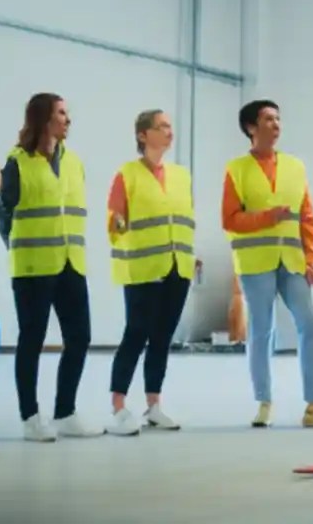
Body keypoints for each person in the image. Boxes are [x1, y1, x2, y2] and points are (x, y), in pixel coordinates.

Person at [222, 100, 313, 429]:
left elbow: (308, 217)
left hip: (293, 261)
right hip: (255, 261)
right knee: (262, 331)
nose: (276, 124)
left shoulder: (295, 166)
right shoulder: (236, 169)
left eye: (278, 118)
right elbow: (229, 219)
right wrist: (266, 217)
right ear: (251, 128)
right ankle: (263, 401)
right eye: (268, 119)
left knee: (312, 324)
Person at [0, 93, 102, 442]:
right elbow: (3, 214)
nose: (68, 119)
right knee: (32, 340)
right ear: (42, 119)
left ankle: (65, 412)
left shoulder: (74, 162)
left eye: (67, 112)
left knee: (79, 337)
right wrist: (20, 246)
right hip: (33, 266)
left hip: (71, 262)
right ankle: (30, 417)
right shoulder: (17, 163)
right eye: (61, 113)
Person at [106, 109, 195, 435]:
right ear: (143, 135)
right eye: (161, 127)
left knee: (162, 337)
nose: (169, 132)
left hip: (178, 266)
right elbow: (115, 219)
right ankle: (118, 406)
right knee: (136, 333)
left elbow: (183, 219)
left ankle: (154, 405)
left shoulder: (182, 175)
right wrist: (117, 223)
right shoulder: (127, 174)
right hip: (143, 267)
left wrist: (188, 252)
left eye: (170, 126)